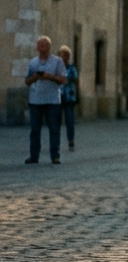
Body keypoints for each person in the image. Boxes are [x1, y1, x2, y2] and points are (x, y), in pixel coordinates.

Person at [25, 36, 66, 165]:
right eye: (40, 44)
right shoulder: (33, 62)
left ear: (49, 47)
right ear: (37, 47)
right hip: (35, 100)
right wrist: (36, 77)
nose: (43, 47)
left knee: (54, 129)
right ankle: (34, 156)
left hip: (53, 100)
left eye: (45, 45)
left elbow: (64, 80)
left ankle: (55, 156)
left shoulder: (57, 61)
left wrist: (51, 77)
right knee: (35, 130)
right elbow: (27, 81)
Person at [59, 45, 79, 152]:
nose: (64, 57)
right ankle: (55, 142)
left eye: (66, 55)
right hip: (57, 96)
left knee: (69, 120)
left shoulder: (71, 68)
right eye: (62, 55)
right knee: (55, 120)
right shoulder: (57, 67)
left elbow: (75, 77)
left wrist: (67, 79)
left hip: (69, 97)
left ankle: (71, 140)